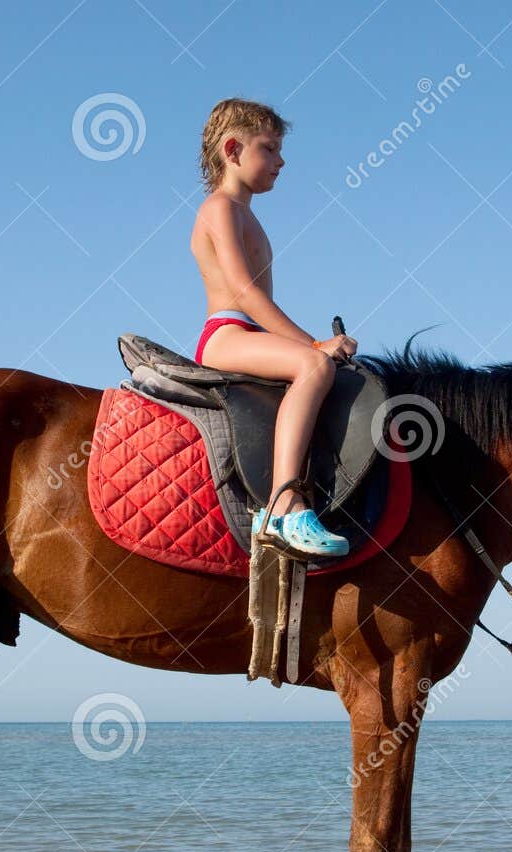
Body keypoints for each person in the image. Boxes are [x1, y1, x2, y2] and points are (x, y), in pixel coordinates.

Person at [189, 97, 355, 558]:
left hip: (246, 331)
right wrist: (314, 344)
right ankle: (284, 505)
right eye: (270, 148)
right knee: (314, 368)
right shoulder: (219, 208)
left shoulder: (247, 215)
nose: (281, 161)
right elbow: (244, 294)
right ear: (233, 150)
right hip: (226, 334)